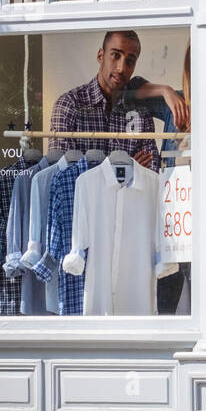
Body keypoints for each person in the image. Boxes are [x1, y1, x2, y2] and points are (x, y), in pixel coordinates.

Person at [49, 30, 186, 170]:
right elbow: (60, 175)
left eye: (130, 61)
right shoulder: (69, 105)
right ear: (100, 56)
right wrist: (127, 168)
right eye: (115, 55)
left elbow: (151, 172)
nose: (121, 68)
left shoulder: (140, 112)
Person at [124, 43, 192, 314]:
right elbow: (129, 90)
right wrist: (165, 91)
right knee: (166, 308)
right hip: (174, 223)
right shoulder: (174, 105)